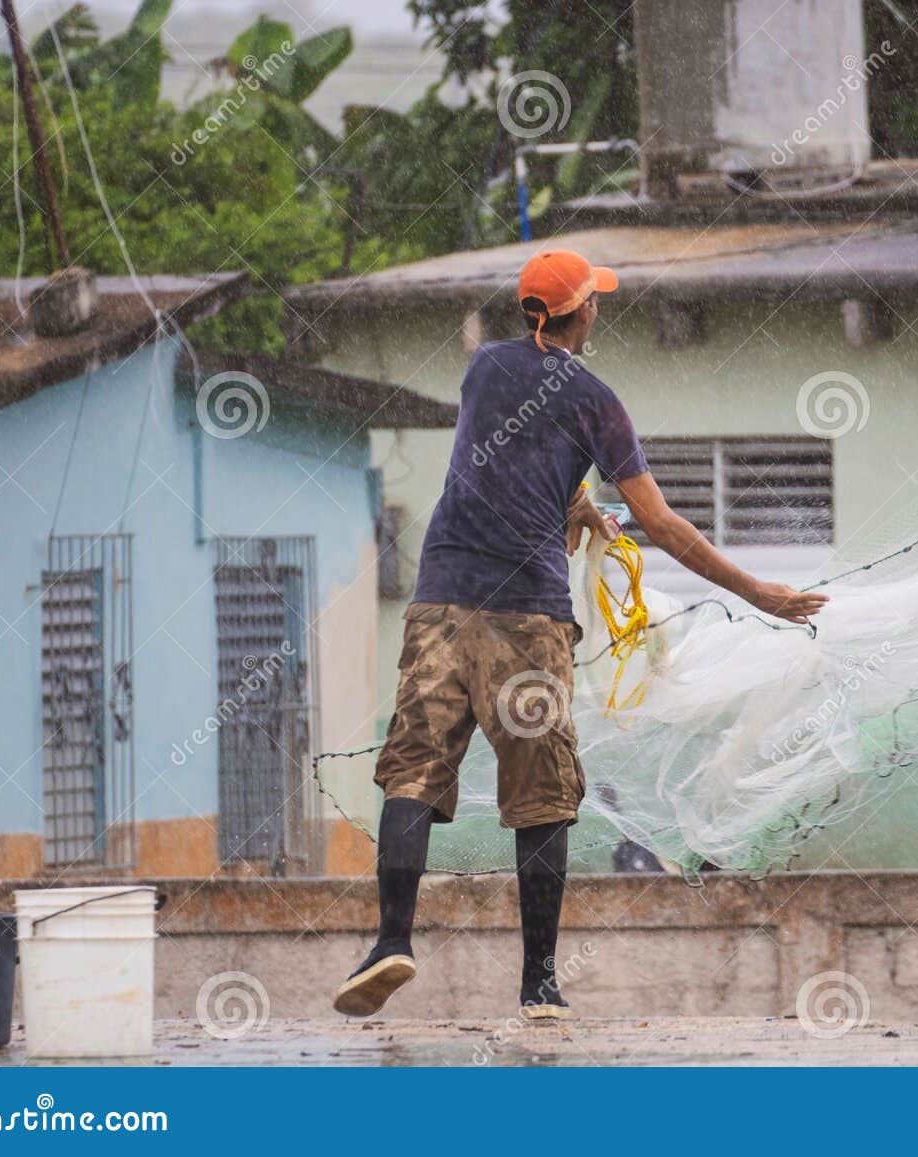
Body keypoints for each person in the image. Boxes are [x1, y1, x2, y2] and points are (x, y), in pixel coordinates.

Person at [332, 250, 827, 1022]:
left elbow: (503, 457)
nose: (600, 308)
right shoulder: (598, 401)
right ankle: (538, 983)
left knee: (413, 772)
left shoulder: (484, 367)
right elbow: (660, 522)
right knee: (543, 793)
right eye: (596, 299)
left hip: (440, 600)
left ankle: (390, 940)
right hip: (527, 616)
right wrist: (759, 592)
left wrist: (572, 503)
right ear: (582, 312)